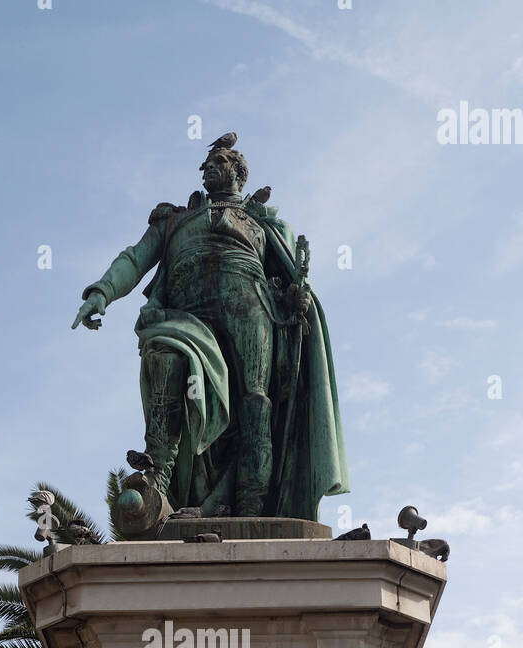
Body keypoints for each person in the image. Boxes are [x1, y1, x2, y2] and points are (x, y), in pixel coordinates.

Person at [72, 137, 347, 522]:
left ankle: (253, 505)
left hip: (249, 303)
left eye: (217, 162)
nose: (208, 170)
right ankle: (158, 483)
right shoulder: (173, 220)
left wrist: (297, 299)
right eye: (205, 166)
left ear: (238, 171)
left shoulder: (262, 222)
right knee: (165, 361)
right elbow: (134, 259)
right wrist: (102, 291)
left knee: (256, 401)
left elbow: (289, 282)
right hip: (185, 312)